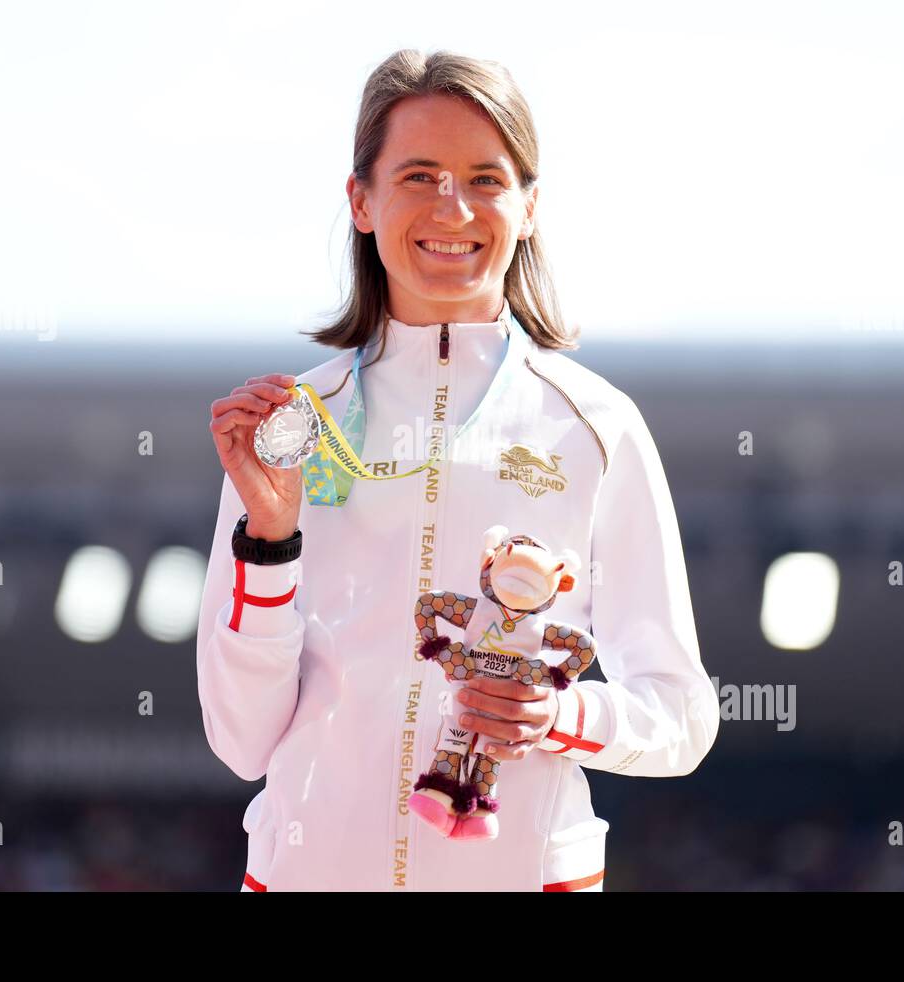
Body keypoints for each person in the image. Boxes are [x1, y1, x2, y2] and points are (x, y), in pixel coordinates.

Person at [198, 48, 719, 892]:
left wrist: (559, 714)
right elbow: (240, 738)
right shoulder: (292, 427)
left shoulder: (594, 425)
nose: (454, 206)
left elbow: (682, 716)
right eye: (419, 175)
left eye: (485, 177)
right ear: (361, 201)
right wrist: (270, 539)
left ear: (529, 207)